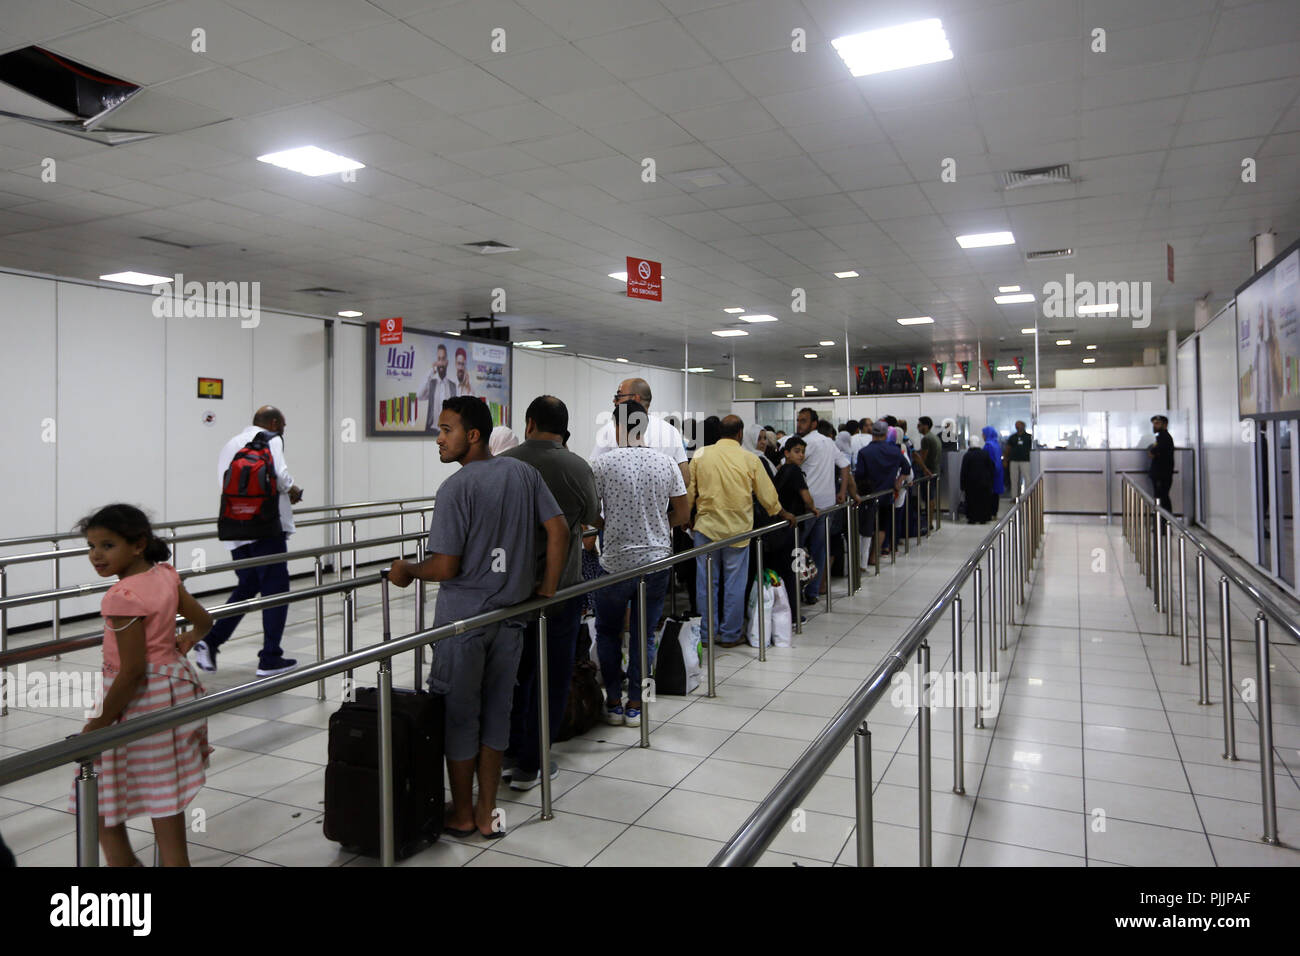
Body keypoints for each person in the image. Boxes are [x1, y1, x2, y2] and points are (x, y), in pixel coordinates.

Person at [388, 396, 568, 840]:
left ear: (473, 435)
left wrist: (408, 570)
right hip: (510, 621)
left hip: (462, 626)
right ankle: (488, 813)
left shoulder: (456, 489)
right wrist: (547, 587)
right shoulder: (524, 474)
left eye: (446, 429)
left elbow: (445, 567)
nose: (438, 438)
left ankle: (463, 812)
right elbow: (560, 529)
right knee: (496, 716)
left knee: (459, 717)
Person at [73, 504, 213, 866]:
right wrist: (187, 639)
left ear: (137, 545)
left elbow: (132, 670)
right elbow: (204, 621)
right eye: (91, 546)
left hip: (137, 699)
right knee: (165, 793)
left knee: (98, 798)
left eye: (107, 545)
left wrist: (97, 725)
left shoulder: (123, 596)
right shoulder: (165, 575)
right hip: (175, 686)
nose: (96, 556)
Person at [499, 397, 601, 790]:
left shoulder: (507, 463)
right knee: (552, 676)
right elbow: (592, 514)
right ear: (565, 428)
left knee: (514, 672)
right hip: (561, 590)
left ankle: (505, 749)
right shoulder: (576, 466)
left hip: (511, 588)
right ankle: (532, 763)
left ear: (529, 424)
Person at [590, 401, 689, 724]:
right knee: (643, 634)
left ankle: (614, 702)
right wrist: (658, 526)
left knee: (608, 632)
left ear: (617, 427)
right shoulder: (667, 464)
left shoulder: (603, 465)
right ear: (644, 427)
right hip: (656, 562)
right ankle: (636, 703)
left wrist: (610, 526)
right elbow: (683, 514)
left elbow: (590, 513)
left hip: (615, 563)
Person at [197, 405, 302, 676]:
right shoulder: (271, 439)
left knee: (248, 585)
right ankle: (270, 658)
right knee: (276, 591)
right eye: (284, 425)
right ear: (275, 422)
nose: (284, 431)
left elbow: (225, 483)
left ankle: (210, 640)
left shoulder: (231, 443)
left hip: (234, 526)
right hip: (266, 528)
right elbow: (280, 476)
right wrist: (294, 489)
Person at [690, 415, 794, 648]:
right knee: (734, 586)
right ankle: (729, 634)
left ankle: (706, 634)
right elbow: (768, 497)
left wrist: (686, 517)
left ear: (720, 432)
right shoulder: (750, 459)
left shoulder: (700, 456)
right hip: (737, 531)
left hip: (706, 529)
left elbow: (689, 491)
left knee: (706, 584)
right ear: (739, 434)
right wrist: (782, 513)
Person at [784, 408, 852, 603]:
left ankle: (796, 591)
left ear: (814, 424)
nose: (799, 424)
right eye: (798, 420)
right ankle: (812, 592)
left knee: (797, 548)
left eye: (803, 421)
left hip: (808, 506)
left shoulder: (807, 443)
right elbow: (845, 465)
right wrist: (842, 491)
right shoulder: (829, 442)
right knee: (819, 549)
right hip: (827, 505)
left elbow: (789, 462)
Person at [771, 437, 818, 614]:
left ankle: (783, 610)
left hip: (779, 527)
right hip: (791, 527)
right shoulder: (795, 472)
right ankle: (793, 613)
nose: (801, 455)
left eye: (803, 452)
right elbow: (807, 498)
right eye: (797, 451)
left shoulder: (782, 470)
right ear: (787, 453)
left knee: (784, 569)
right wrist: (814, 508)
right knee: (792, 571)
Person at [855, 421, 910, 565]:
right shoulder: (894, 451)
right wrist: (898, 483)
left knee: (867, 526)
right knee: (882, 526)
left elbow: (859, 475)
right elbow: (906, 469)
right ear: (886, 434)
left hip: (868, 495)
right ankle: (874, 556)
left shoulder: (864, 452)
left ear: (872, 433)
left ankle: (863, 559)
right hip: (887, 495)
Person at [418, 344, 458, 432]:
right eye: (439, 359)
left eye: (443, 359)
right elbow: (419, 396)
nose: (440, 363)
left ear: (447, 362)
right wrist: (431, 371)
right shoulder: (431, 384)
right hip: (431, 430)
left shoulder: (453, 386)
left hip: (449, 431)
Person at [961, 434, 996, 524]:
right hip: (984, 483)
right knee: (984, 501)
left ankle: (972, 518)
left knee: (971, 501)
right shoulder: (985, 454)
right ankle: (983, 518)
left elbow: (964, 471)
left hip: (971, 483)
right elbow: (991, 468)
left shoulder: (967, 455)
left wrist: (962, 485)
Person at [1148, 415, 1175, 512]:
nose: (1155, 426)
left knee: (1162, 500)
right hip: (1160, 475)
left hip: (1162, 476)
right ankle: (1161, 524)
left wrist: (1152, 452)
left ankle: (1164, 524)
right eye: (1154, 424)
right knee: (1161, 499)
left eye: (1157, 423)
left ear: (1165, 425)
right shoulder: (1160, 437)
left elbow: (1152, 453)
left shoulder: (1164, 438)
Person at [982, 426, 1006, 513]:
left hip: (991, 473)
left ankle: (990, 512)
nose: (982, 436)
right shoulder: (996, 444)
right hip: (998, 472)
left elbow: (988, 461)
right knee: (996, 494)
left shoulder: (988, 446)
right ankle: (994, 513)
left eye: (983, 434)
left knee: (991, 494)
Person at [1005, 420, 1032, 497]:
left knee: (1027, 479)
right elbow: (1008, 448)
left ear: (1023, 426)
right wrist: (1005, 459)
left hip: (1025, 461)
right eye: (1016, 425)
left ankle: (1027, 496)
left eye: (1019, 425)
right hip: (1014, 461)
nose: (1017, 427)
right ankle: (1014, 497)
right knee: (1014, 480)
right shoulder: (1012, 437)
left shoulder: (1029, 437)